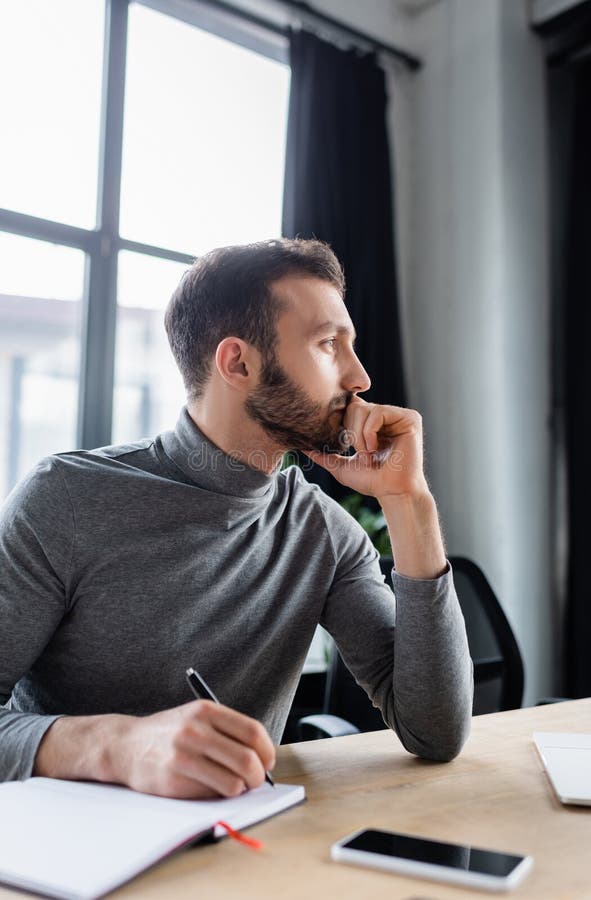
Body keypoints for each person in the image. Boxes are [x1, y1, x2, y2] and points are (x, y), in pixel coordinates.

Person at [0, 238, 472, 797]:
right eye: (328, 345)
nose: (359, 377)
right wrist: (116, 746)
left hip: (238, 856)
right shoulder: (65, 500)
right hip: (67, 868)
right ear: (238, 362)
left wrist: (407, 499)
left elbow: (435, 732)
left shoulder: (322, 532)